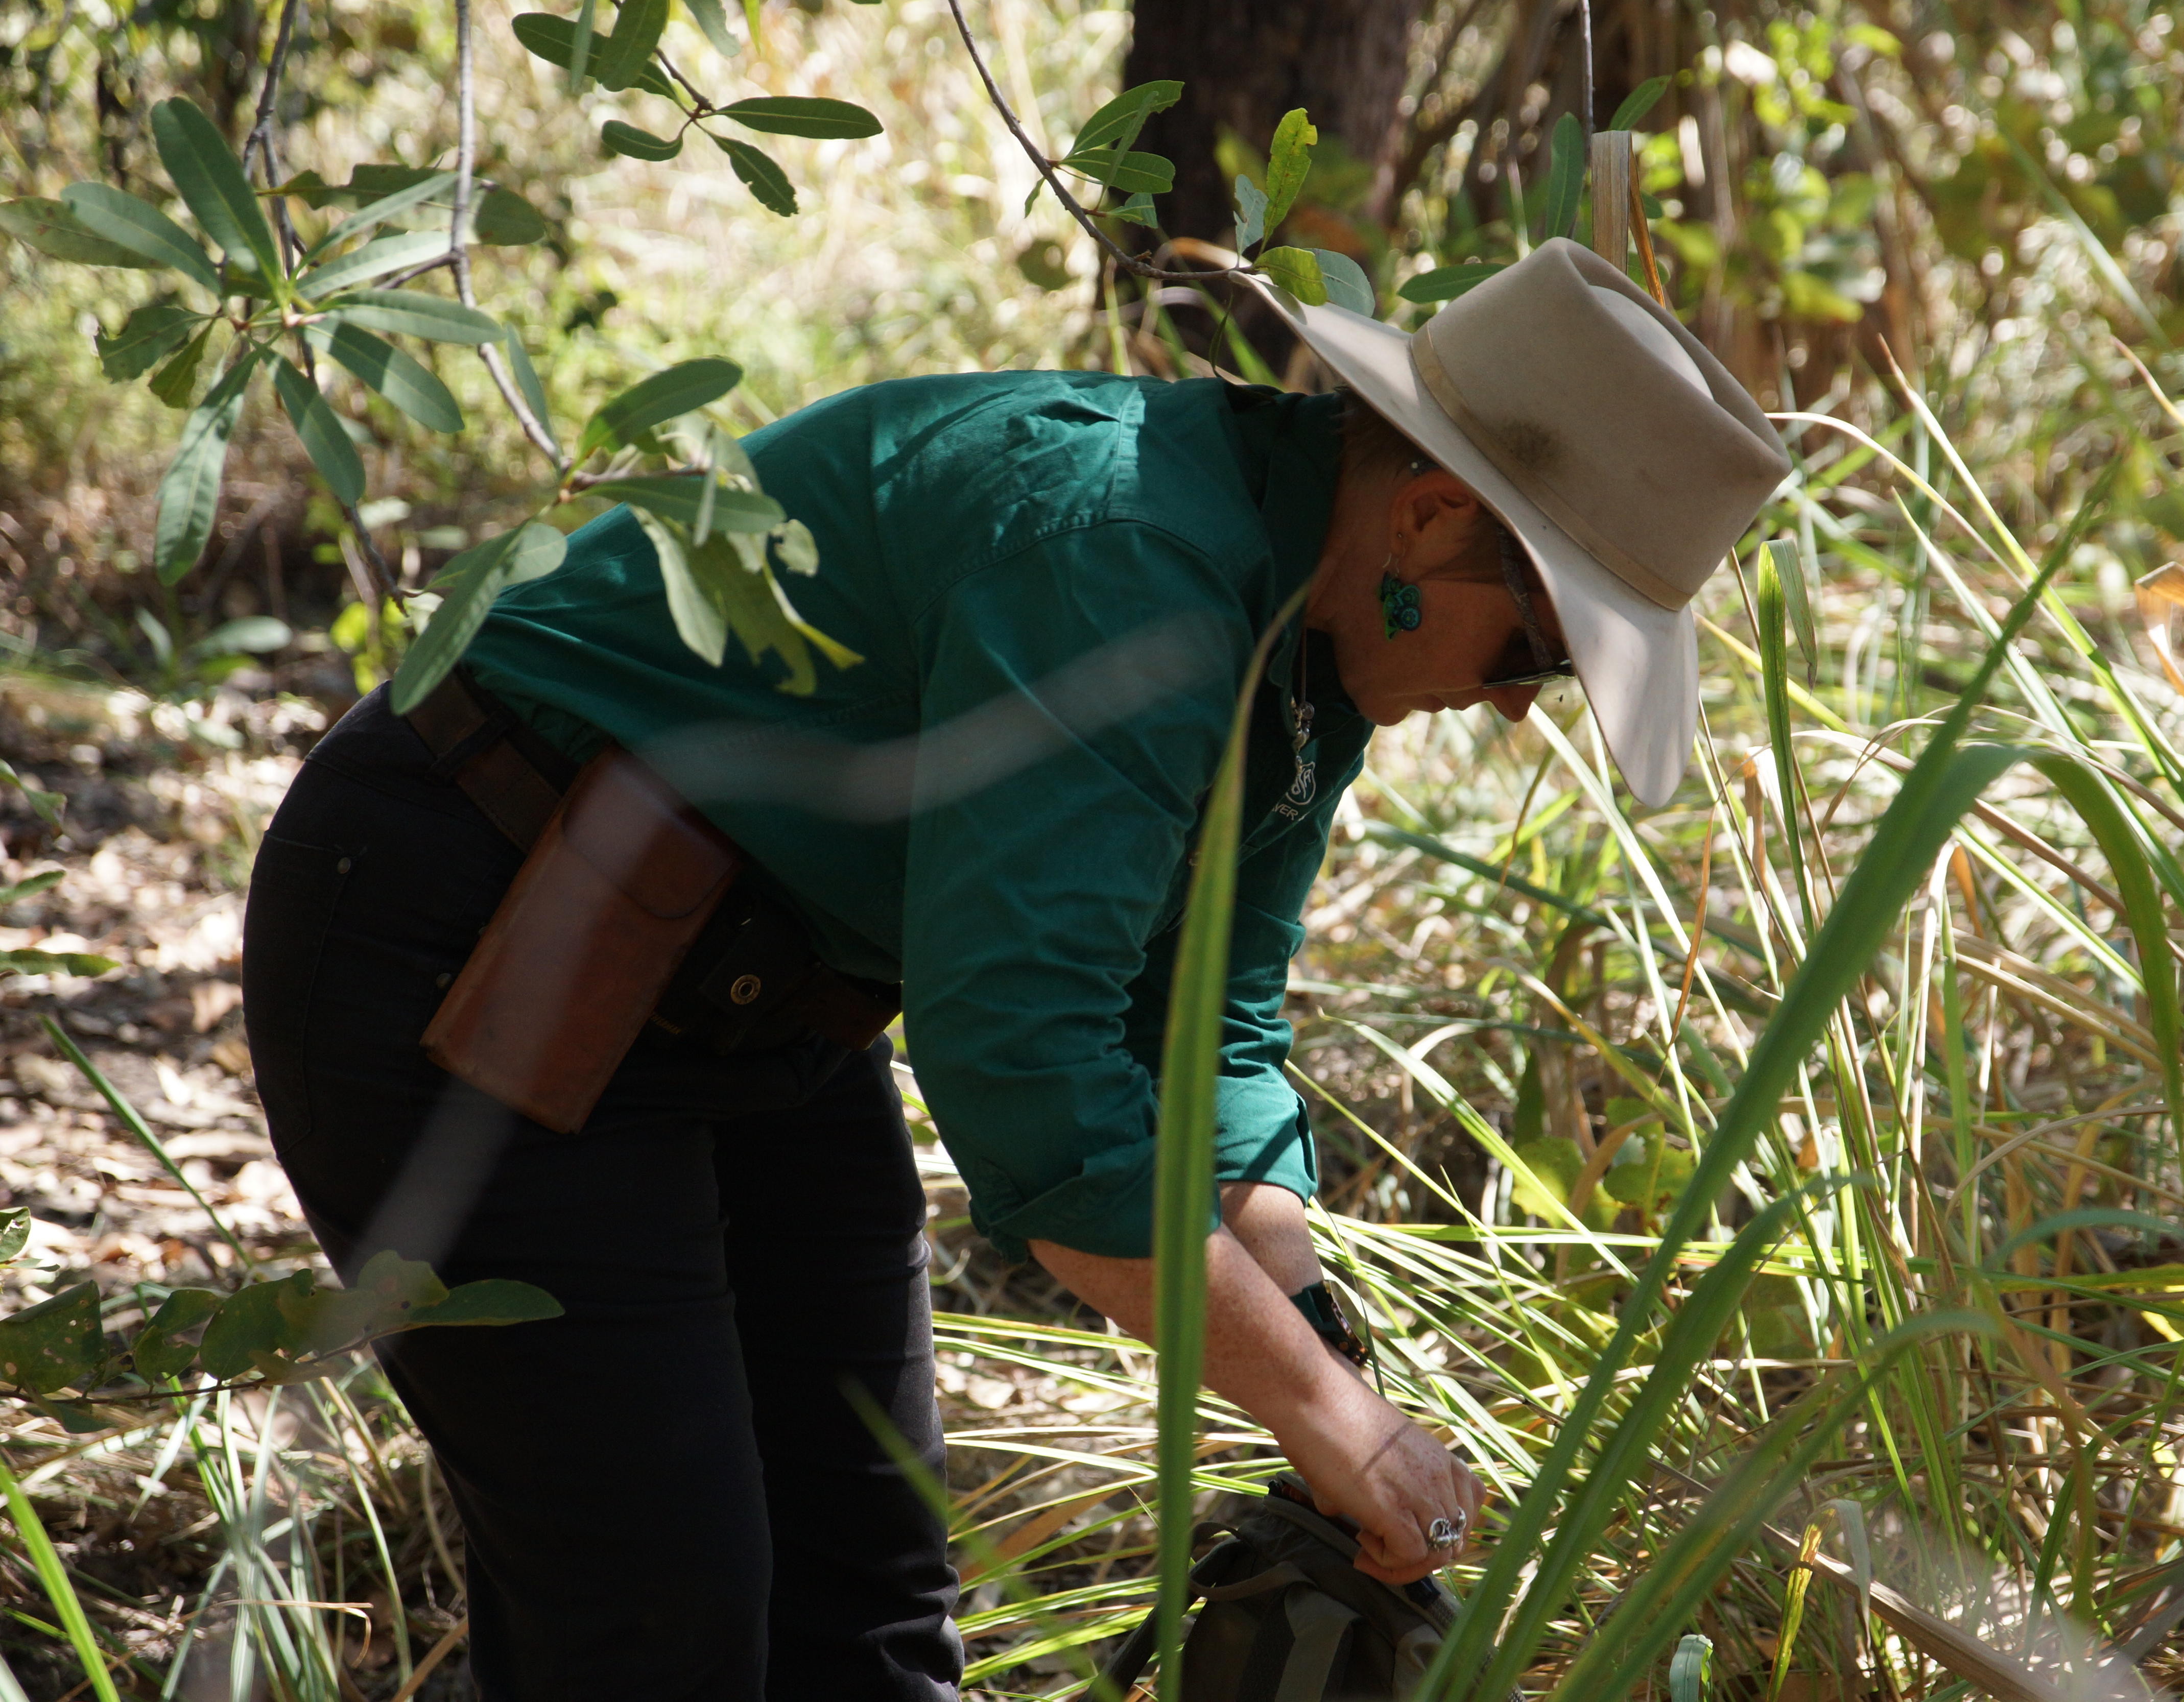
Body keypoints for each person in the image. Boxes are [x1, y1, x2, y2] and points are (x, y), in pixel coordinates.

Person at [239, 239, 1787, 1701]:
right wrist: (1332, 1426)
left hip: (764, 995)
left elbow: (1209, 1030)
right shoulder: (1126, 559)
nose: (1519, 705)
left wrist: (1329, 1358)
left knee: (869, 1592)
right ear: (1435, 514)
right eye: (1537, 649)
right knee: (654, 1613)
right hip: (470, 927)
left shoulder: (1302, 653)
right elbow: (1029, 1076)